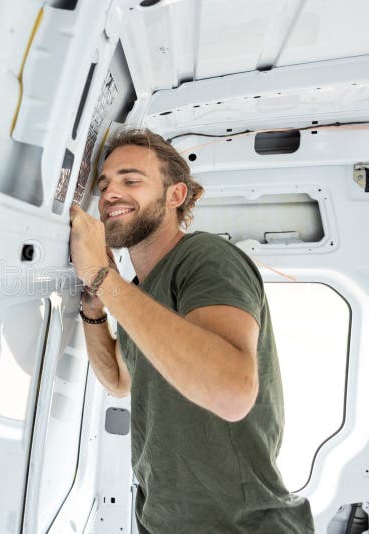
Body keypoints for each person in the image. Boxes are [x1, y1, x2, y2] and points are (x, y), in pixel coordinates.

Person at [68, 128, 314, 533]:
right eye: (105, 184)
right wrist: (95, 309)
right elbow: (120, 380)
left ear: (175, 195)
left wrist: (101, 277)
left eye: (131, 180)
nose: (111, 194)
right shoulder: (137, 293)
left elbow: (232, 392)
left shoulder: (206, 258)